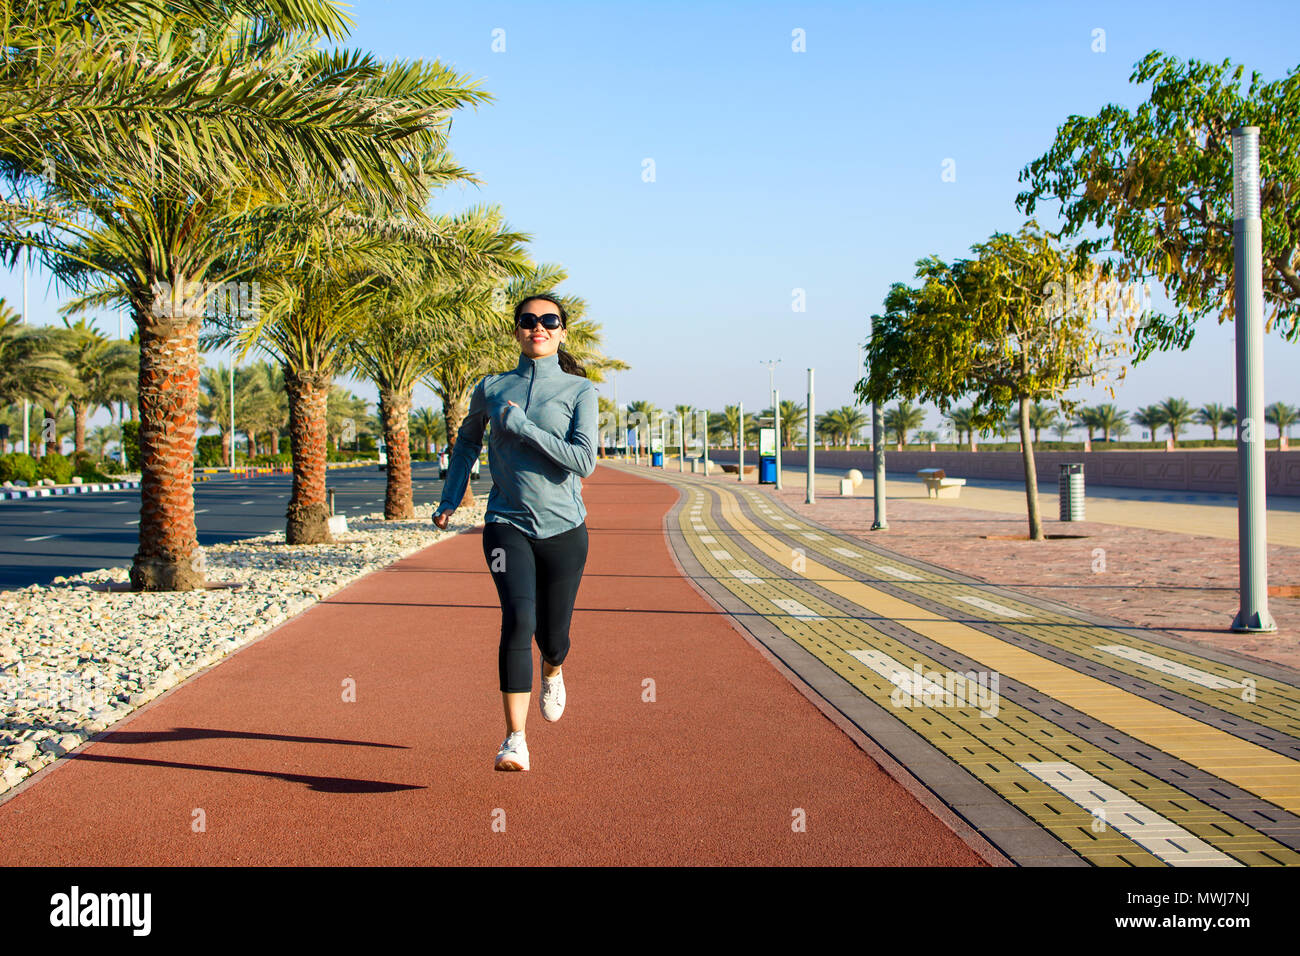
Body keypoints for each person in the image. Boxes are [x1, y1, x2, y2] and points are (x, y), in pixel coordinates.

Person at [432, 293, 599, 772]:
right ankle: (515, 739)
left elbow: (584, 461)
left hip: (565, 530)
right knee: (517, 620)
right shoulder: (490, 387)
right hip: (506, 524)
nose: (538, 327)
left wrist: (523, 427)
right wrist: (450, 497)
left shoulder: (579, 391)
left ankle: (555, 668)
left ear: (562, 330)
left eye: (549, 320)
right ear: (517, 331)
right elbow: (465, 446)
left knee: (553, 635)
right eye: (528, 320)